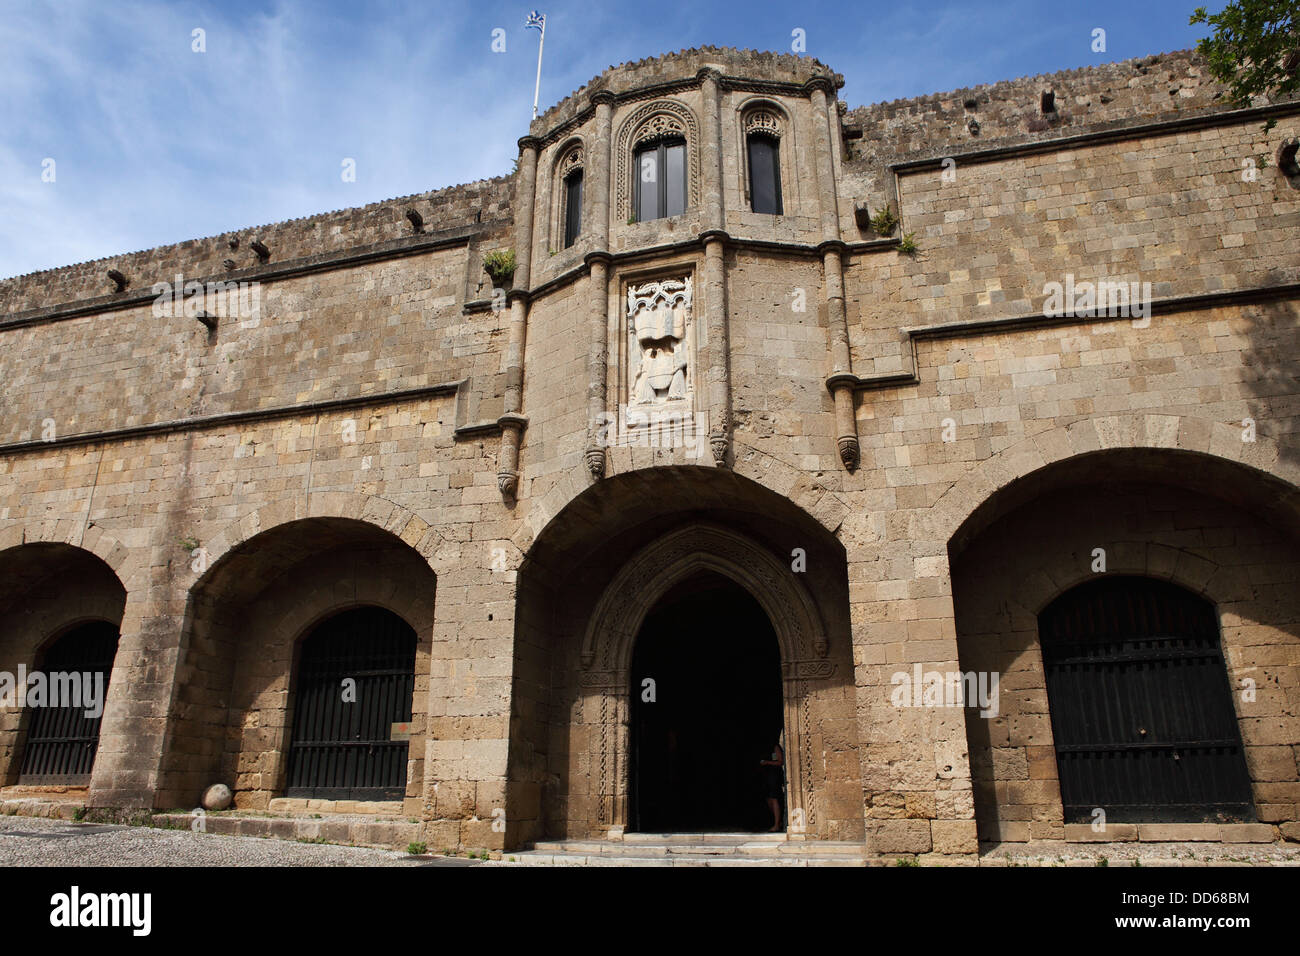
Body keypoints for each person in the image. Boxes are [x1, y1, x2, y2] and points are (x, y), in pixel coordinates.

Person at [759, 738, 784, 832]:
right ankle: (778, 821)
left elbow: (780, 761)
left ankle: (777, 824)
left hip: (774, 776)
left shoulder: (775, 747)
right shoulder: (765, 749)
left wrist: (767, 762)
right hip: (767, 776)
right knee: (769, 799)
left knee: (774, 798)